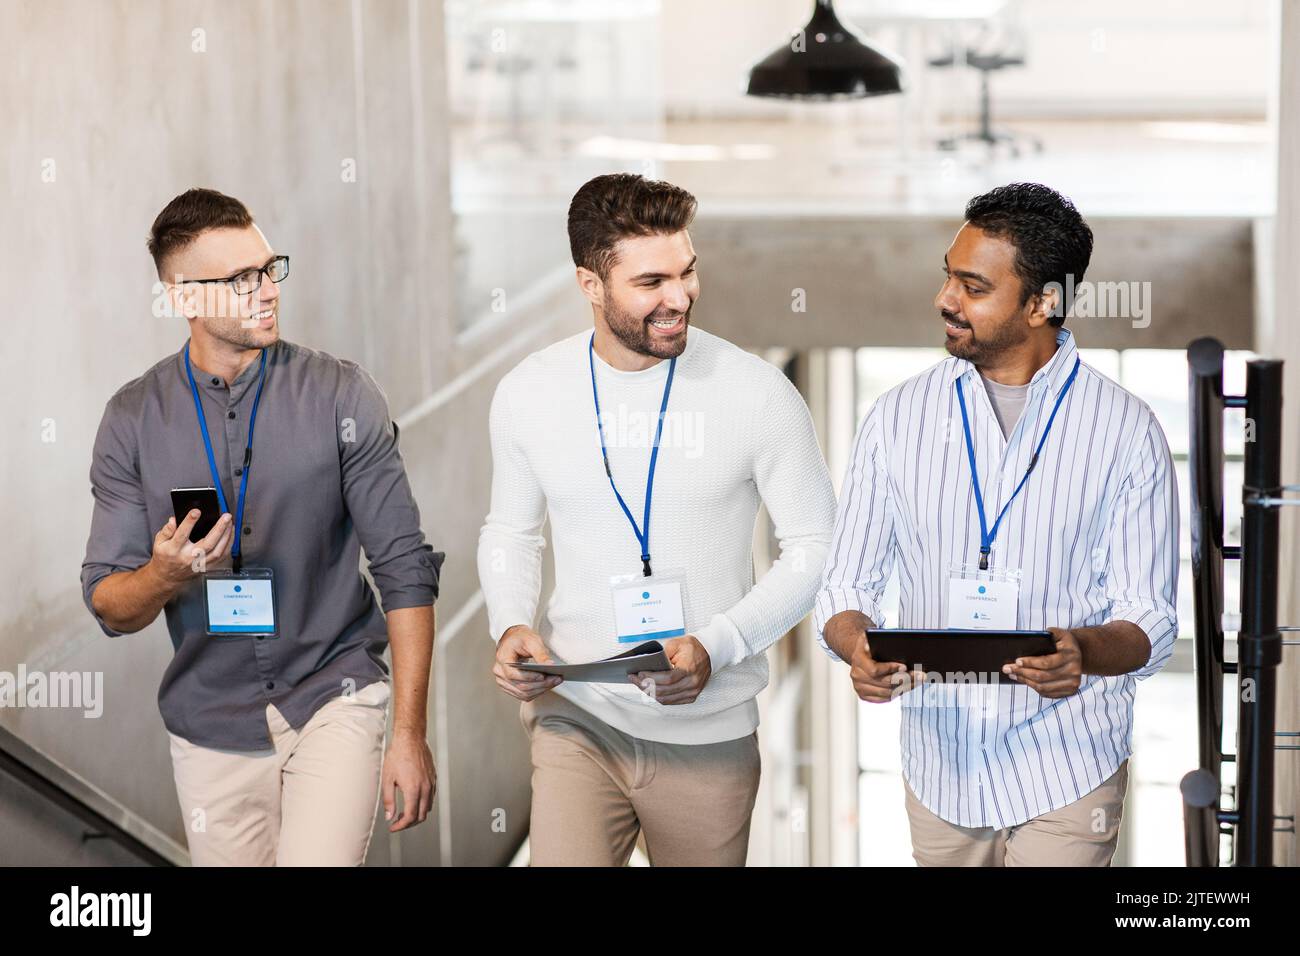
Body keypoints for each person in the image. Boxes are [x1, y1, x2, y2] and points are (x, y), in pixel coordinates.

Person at [815, 182, 1178, 867]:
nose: (945, 300)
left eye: (973, 285)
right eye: (948, 276)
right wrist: (856, 645)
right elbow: (844, 585)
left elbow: (1150, 621)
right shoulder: (896, 418)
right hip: (939, 765)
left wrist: (1084, 653)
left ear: (1044, 303)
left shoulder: (1127, 431)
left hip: (1067, 762)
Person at [478, 173, 836, 866]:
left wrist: (719, 643)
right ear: (589, 284)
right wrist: (510, 622)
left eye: (687, 272)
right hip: (576, 716)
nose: (679, 298)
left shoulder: (757, 393)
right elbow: (511, 531)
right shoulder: (528, 393)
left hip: (708, 741)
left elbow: (816, 548)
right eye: (651, 283)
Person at [81, 188, 443, 866]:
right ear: (183, 298)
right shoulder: (132, 421)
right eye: (239, 279)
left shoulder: (342, 395)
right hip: (209, 722)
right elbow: (107, 600)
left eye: (268, 268)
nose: (265, 290)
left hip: (334, 691)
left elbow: (403, 567)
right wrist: (163, 574)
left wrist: (409, 734)